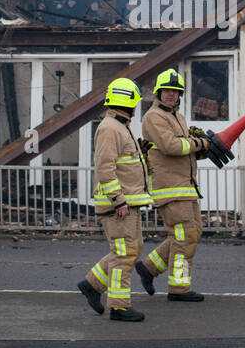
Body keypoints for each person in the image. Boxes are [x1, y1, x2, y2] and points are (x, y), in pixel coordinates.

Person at [78, 77, 153, 322]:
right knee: (124, 252)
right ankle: (119, 307)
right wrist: (118, 200)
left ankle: (92, 284)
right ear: (129, 101)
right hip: (119, 205)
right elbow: (105, 168)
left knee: (132, 248)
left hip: (127, 203)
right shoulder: (111, 128)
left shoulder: (120, 125)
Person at [135, 68, 206, 302]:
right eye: (167, 90)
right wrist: (199, 142)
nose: (171, 95)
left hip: (185, 186)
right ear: (158, 91)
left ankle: (148, 268)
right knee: (185, 236)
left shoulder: (178, 116)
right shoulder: (154, 117)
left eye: (175, 92)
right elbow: (171, 147)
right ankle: (179, 288)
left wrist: (203, 148)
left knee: (192, 233)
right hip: (170, 188)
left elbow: (185, 148)